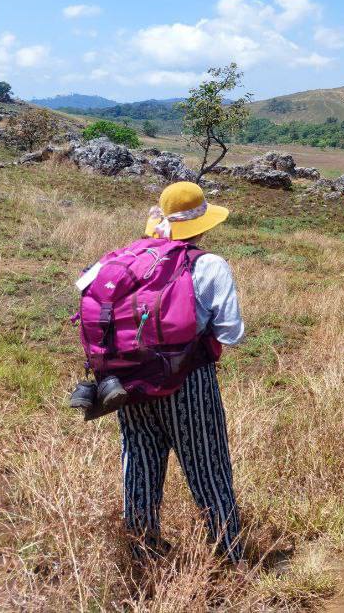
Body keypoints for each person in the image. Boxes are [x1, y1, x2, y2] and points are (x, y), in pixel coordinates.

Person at [74, 181, 246, 563]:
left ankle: (142, 549)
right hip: (188, 380)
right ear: (202, 224)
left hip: (127, 380)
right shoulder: (208, 264)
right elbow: (232, 334)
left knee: (139, 459)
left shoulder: (124, 259)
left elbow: (86, 293)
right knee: (207, 464)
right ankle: (229, 553)